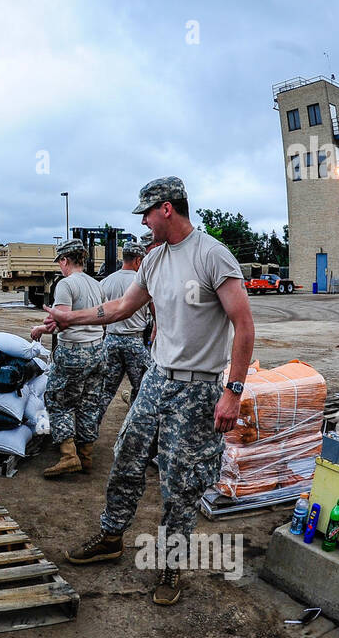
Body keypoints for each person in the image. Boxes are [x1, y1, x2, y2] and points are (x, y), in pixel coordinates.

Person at [46, 177, 254, 606]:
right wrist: (72, 319)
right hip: (157, 378)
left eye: (146, 212)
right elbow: (122, 308)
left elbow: (244, 325)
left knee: (180, 482)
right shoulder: (154, 259)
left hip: (198, 389)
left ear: (166, 209)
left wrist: (232, 392)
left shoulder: (212, 255)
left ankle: (170, 567)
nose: (142, 221)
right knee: (126, 456)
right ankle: (111, 536)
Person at [30, 238, 106, 478]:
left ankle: (68, 455)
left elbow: (60, 321)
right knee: (89, 402)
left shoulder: (66, 284)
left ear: (65, 260)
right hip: (97, 349)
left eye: (60, 262)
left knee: (58, 399)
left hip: (74, 350)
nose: (60, 267)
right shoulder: (96, 284)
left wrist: (40, 330)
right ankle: (86, 455)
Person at [94, 239, 153, 428]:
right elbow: (156, 311)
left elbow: (98, 314)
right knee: (144, 389)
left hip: (110, 341)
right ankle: (134, 428)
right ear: (138, 260)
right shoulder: (143, 283)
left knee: (105, 390)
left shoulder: (105, 282)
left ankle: (88, 433)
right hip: (135, 342)